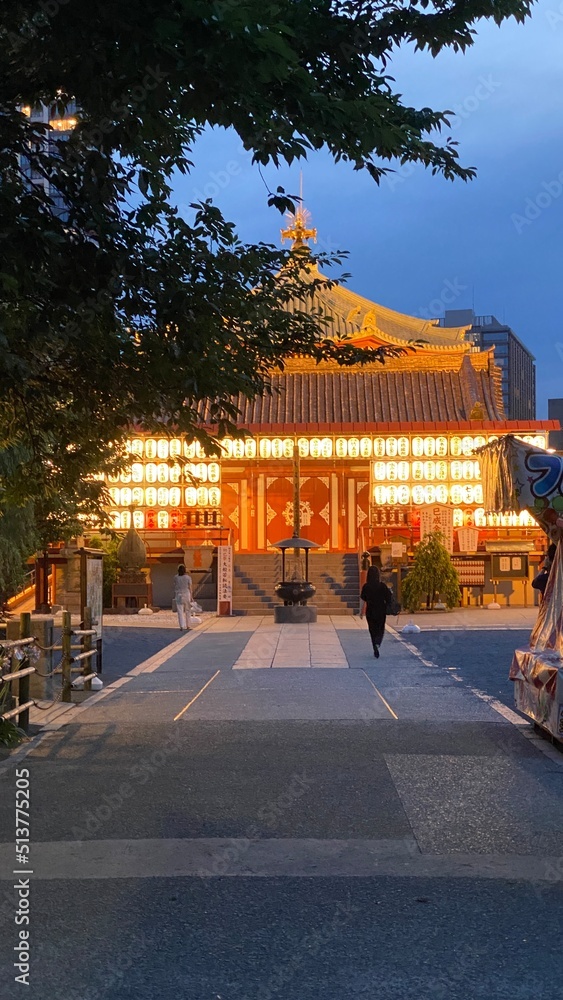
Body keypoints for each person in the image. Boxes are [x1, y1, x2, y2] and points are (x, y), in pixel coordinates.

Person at [359, 565, 393, 658]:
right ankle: (378, 643)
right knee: (380, 628)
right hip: (381, 610)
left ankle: (374, 644)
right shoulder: (382, 586)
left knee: (372, 629)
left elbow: (363, 600)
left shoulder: (366, 586)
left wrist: (361, 611)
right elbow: (389, 598)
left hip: (370, 611)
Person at [173, 564, 193, 631]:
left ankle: (181, 625)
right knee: (188, 610)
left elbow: (175, 585)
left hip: (178, 594)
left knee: (180, 611)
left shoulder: (176, 577)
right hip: (186, 594)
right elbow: (190, 587)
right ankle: (188, 625)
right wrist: (192, 596)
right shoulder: (188, 577)